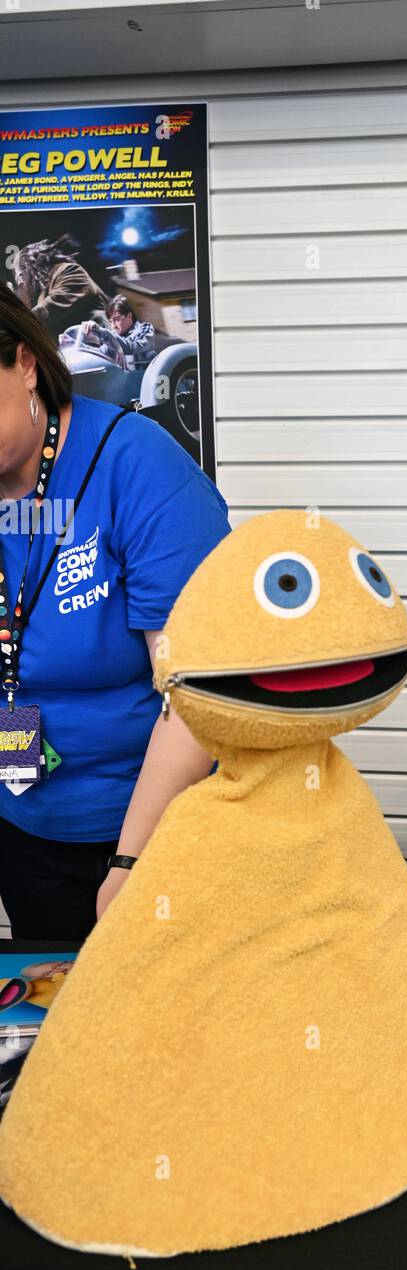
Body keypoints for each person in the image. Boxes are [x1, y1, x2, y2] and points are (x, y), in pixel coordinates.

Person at [0, 281, 230, 942]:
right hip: (24, 824)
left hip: (158, 825)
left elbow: (193, 694)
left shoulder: (136, 465)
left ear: (23, 362)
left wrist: (132, 860)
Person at [80, 294, 156, 365]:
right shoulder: (114, 337)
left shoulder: (145, 328)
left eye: (117, 319)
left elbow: (132, 347)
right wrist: (79, 346)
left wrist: (100, 332)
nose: (113, 325)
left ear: (129, 316)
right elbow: (99, 353)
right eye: (110, 321)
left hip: (145, 377)